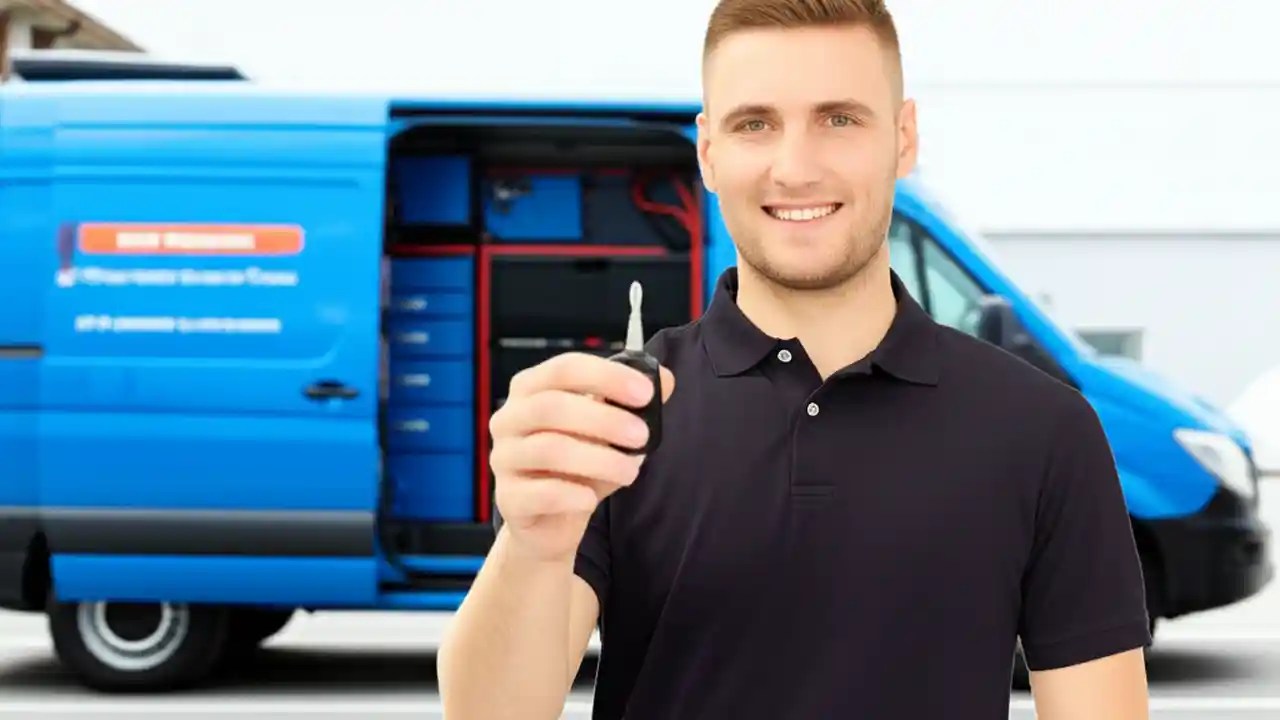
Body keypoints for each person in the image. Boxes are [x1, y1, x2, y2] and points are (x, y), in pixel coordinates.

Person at [438, 0, 1152, 717]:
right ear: (709, 153)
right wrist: (533, 547)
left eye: (839, 119)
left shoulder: (1042, 429)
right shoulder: (612, 421)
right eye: (755, 124)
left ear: (903, 139)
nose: (796, 168)